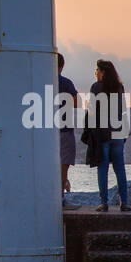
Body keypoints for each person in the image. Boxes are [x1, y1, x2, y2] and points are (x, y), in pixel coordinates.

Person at [84, 58, 131, 212]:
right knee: (120, 169)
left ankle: (103, 202)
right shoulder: (119, 87)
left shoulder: (96, 87)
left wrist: (88, 131)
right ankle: (124, 202)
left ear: (103, 72)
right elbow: (123, 109)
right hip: (118, 133)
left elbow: (91, 111)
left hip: (102, 134)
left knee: (102, 168)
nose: (95, 72)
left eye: (97, 70)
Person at [57, 53, 80, 199]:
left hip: (46, 128)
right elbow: (76, 103)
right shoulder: (66, 83)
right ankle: (61, 195)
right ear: (62, 66)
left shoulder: (41, 80)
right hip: (64, 128)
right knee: (64, 162)